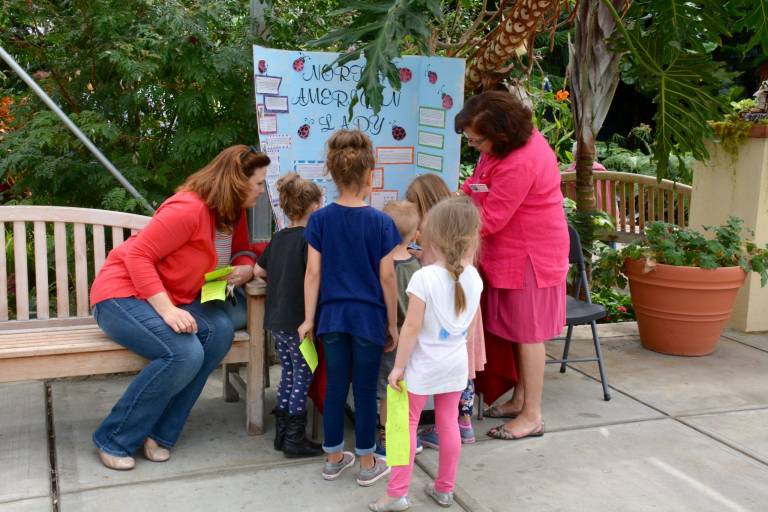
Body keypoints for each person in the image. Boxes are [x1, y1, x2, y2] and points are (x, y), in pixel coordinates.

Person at [89, 145, 268, 470]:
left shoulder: (232, 211)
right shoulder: (188, 209)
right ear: (237, 183)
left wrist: (243, 266)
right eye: (258, 183)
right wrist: (168, 311)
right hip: (121, 295)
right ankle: (114, 437)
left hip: (173, 295)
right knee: (184, 352)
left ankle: (158, 433)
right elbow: (137, 256)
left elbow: (242, 249)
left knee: (220, 331)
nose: (262, 190)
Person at [457, 90, 569, 440]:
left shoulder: (522, 159)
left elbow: (491, 217)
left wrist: (446, 222)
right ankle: (520, 398)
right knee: (518, 332)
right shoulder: (506, 146)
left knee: (528, 335)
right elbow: (478, 185)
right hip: (508, 251)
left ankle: (532, 415)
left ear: (500, 135)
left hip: (530, 256)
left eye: (477, 140)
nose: (473, 146)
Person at [299, 129, 400, 486]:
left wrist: (309, 318)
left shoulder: (319, 220)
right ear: (370, 175)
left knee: (335, 384)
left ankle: (333, 458)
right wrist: (393, 323)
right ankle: (369, 462)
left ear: (333, 174)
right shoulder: (382, 223)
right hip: (369, 318)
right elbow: (387, 278)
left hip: (331, 317)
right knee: (366, 388)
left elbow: (313, 273)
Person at [369, 197, 483, 512]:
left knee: (404, 425)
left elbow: (411, 328)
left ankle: (396, 493)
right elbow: (469, 330)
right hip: (455, 365)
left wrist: (398, 368)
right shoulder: (473, 277)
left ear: (431, 234)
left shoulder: (424, 278)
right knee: (448, 422)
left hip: (421, 367)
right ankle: (445, 489)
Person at [405, 174, 486, 446]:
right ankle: (463, 421)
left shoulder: (426, 269)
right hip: (464, 315)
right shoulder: (462, 231)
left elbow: (413, 323)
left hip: (450, 315)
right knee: (464, 368)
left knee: (462, 368)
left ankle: (452, 424)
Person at [253, 173, 323, 458]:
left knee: (288, 373)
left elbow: (259, 271)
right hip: (298, 321)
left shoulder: (279, 237)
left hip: (277, 321)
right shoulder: (310, 240)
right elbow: (314, 275)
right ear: (315, 207)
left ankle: (282, 433)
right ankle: (295, 438)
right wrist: (309, 319)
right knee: (302, 375)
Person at [375, 201, 424, 461]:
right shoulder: (417, 269)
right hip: (412, 340)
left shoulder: (380, 267)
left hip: (387, 340)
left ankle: (386, 440)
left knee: (386, 391)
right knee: (406, 389)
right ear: (415, 235)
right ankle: (406, 436)